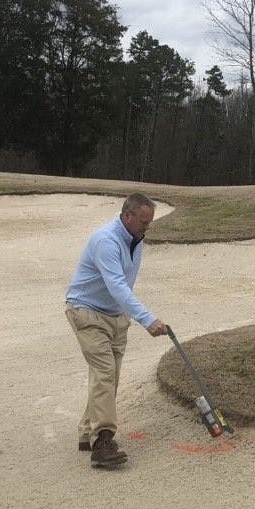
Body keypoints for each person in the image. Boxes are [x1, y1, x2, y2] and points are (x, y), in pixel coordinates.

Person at [65, 193, 167, 468]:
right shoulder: (106, 241)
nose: (147, 227)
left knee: (110, 378)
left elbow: (125, 286)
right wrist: (147, 319)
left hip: (115, 317)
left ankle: (88, 431)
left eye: (149, 223)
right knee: (104, 373)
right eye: (143, 222)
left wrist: (126, 316)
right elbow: (117, 285)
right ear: (127, 216)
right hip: (87, 313)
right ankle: (103, 442)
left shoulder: (136, 239)